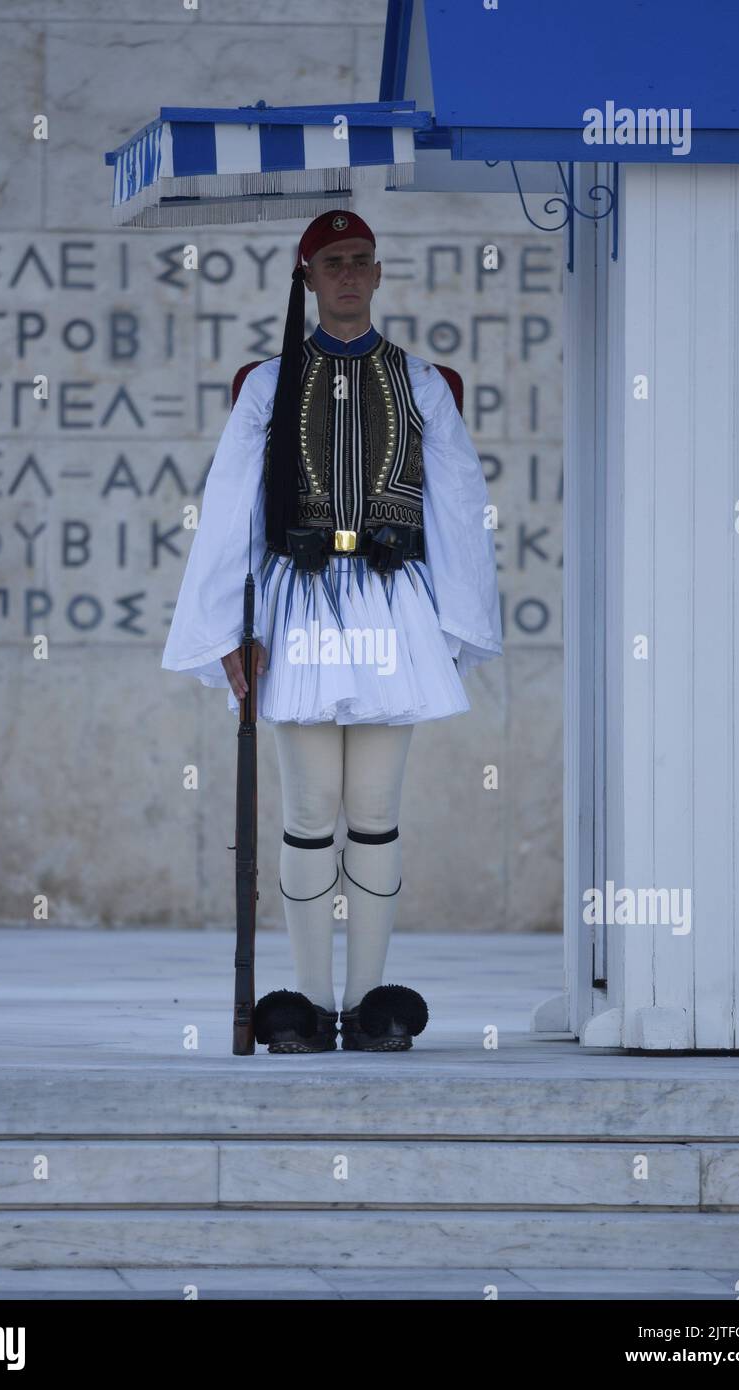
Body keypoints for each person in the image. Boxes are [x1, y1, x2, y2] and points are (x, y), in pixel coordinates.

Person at [161, 209, 503, 1053]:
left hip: (393, 601)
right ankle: (308, 1004)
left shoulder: (429, 383)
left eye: (362, 261)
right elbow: (233, 508)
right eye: (332, 263)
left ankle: (372, 997)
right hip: (301, 604)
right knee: (311, 805)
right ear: (307, 277)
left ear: (379, 274)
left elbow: (459, 511)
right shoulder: (265, 382)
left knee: (376, 809)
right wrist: (228, 628)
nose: (349, 275)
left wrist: (453, 626)